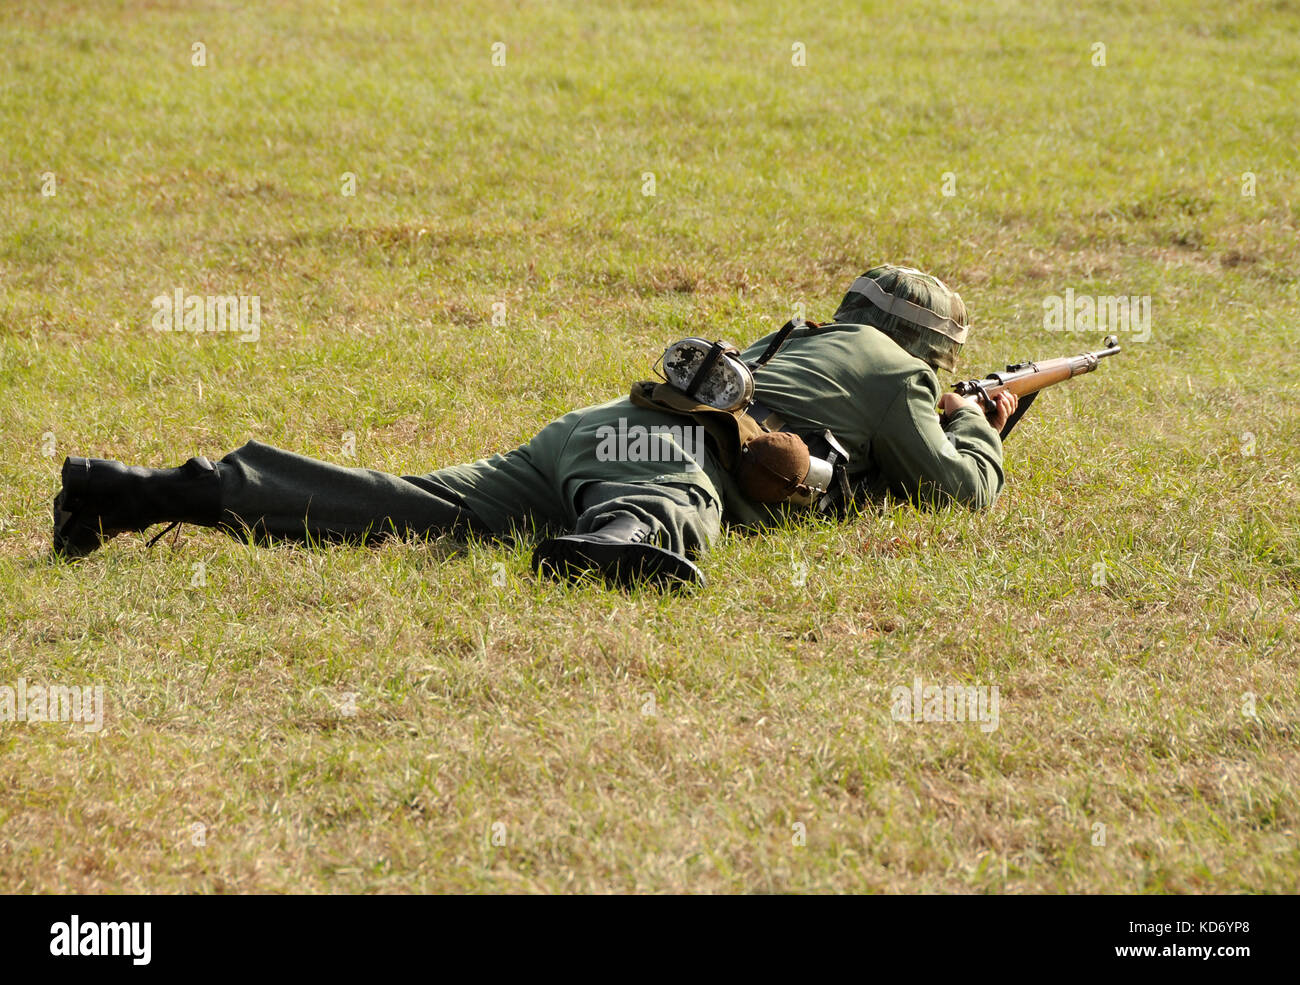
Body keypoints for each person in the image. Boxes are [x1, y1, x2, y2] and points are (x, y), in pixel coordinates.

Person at [52, 264, 1016, 587]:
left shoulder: (798, 336)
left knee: (411, 506)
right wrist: (981, 421)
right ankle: (611, 544)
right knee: (674, 514)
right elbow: (958, 493)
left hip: (594, 426)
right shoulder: (900, 374)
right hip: (661, 454)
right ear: (927, 347)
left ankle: (149, 491)